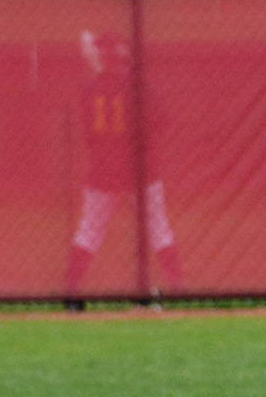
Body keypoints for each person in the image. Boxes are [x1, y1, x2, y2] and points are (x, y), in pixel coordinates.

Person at [65, 29, 184, 304]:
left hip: (102, 172)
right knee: (158, 229)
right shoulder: (137, 86)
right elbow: (162, 122)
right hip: (141, 172)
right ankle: (179, 290)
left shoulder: (89, 90)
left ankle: (70, 293)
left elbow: (87, 135)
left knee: (89, 231)